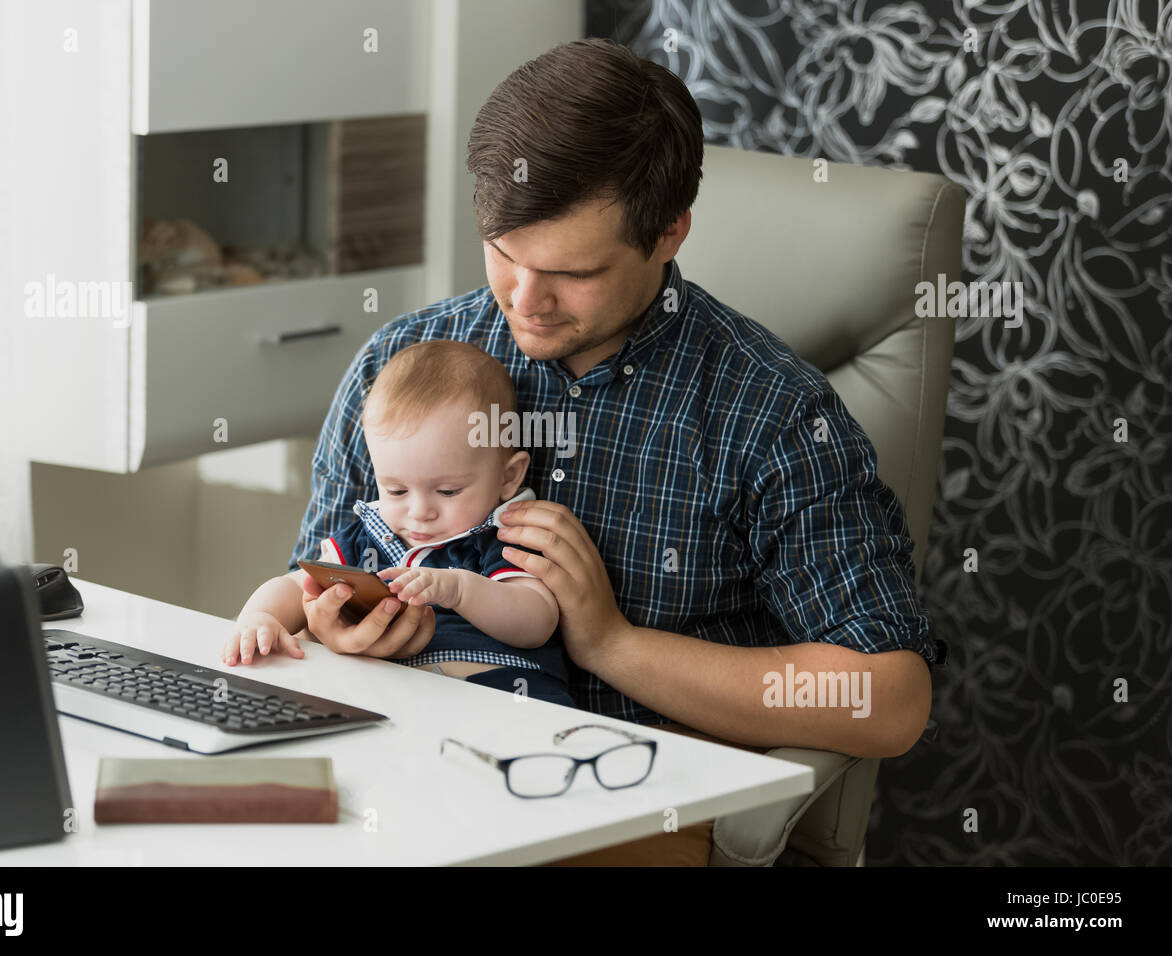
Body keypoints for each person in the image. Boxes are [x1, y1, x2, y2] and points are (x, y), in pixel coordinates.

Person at [229, 37, 946, 865]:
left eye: (572, 272)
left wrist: (611, 643)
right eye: (504, 253)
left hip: (626, 800)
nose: (525, 304)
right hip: (400, 773)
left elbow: (887, 699)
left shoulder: (770, 412)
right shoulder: (404, 364)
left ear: (669, 233)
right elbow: (312, 580)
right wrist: (340, 626)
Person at [227, 340, 572, 707]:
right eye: (395, 490)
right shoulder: (370, 535)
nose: (419, 511)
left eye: (448, 491)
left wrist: (460, 591)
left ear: (508, 477)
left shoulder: (505, 533)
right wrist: (260, 617)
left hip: (504, 691)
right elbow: (299, 584)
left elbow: (536, 620)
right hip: (397, 697)